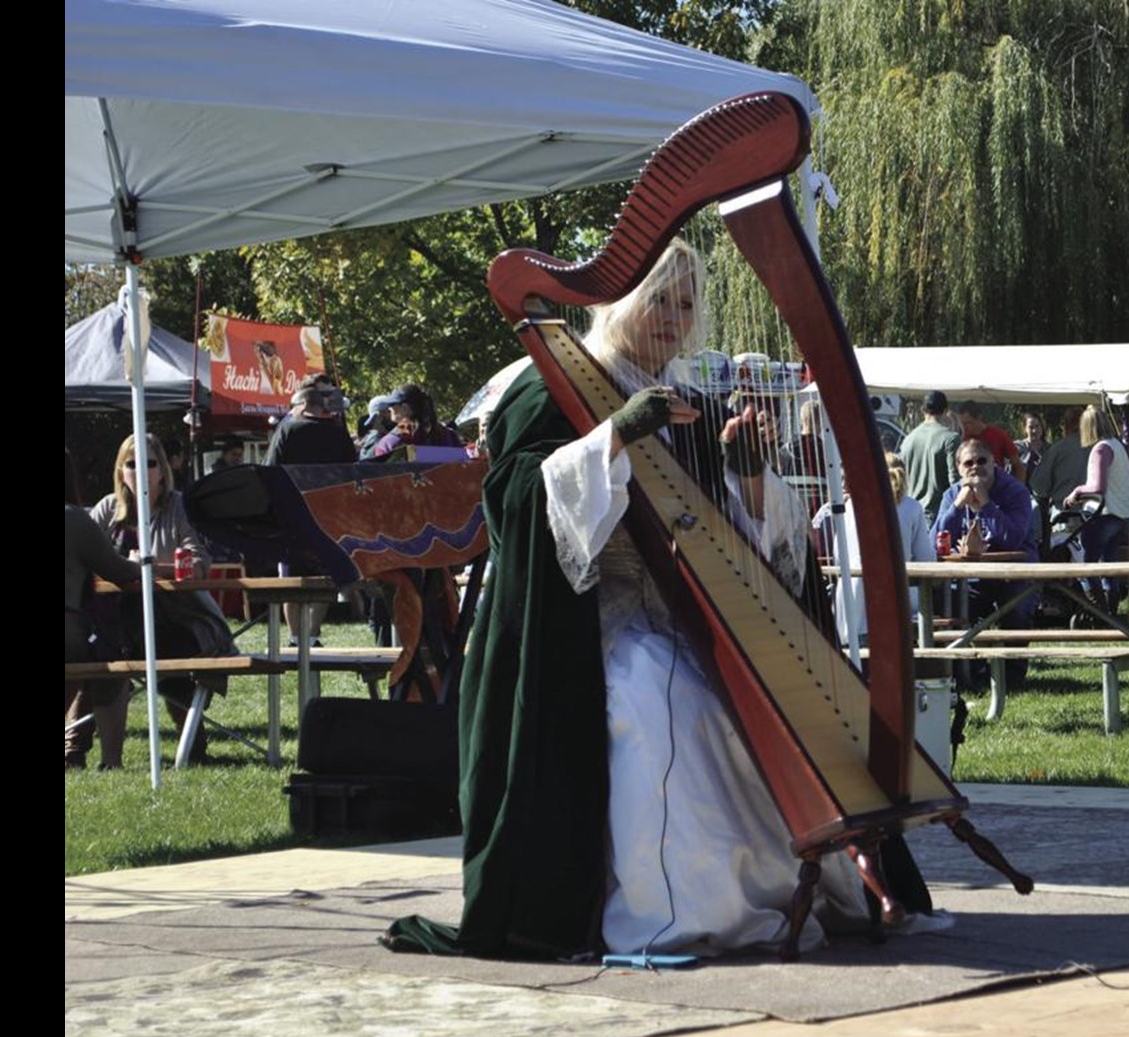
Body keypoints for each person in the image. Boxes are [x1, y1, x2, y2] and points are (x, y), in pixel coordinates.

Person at [385, 240, 900, 961]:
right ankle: (674, 911)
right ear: (618, 301)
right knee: (665, 696)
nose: (672, 318)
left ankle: (788, 888)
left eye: (686, 304)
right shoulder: (549, 385)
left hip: (691, 608)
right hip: (589, 615)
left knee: (755, 700)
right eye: (659, 299)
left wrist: (750, 478)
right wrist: (617, 434)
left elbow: (750, 540)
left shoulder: (694, 402)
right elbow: (519, 500)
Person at [89, 434, 236, 764]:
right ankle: (83, 752)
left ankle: (193, 748)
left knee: (167, 648)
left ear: (163, 470)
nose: (140, 470)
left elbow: (199, 564)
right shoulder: (106, 510)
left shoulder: (180, 507)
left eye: (150, 463)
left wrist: (153, 566)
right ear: (120, 469)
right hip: (116, 618)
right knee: (97, 654)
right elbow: (83, 563)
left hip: (180, 615)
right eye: (131, 464)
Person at [932, 437, 1039, 686]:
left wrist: (986, 505)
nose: (975, 467)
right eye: (968, 462)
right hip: (973, 577)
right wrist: (957, 507)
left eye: (982, 460)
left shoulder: (1015, 492)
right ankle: (965, 672)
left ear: (994, 462)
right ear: (958, 468)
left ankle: (1011, 678)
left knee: (1018, 609)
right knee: (943, 607)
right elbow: (933, 544)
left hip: (1014, 575)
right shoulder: (952, 495)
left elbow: (1012, 539)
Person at [268, 374, 357, 647]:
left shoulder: (287, 430)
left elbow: (269, 469)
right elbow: (352, 471)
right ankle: (313, 633)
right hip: (328, 514)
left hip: (292, 514)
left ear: (304, 405)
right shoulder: (338, 433)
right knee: (324, 576)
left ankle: (296, 636)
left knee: (291, 578)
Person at [65, 451, 141, 770]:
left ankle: (73, 750)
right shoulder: (74, 519)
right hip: (69, 634)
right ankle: (112, 761)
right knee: (114, 667)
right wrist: (139, 563)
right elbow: (117, 570)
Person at [815, 451, 934, 647]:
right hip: (895, 606)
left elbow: (838, 556)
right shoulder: (912, 507)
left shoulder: (851, 506)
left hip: (850, 607)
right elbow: (927, 560)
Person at [1059, 405, 1129, 620]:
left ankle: (1099, 610)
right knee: (1109, 567)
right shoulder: (1117, 446)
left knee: (1087, 564)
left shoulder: (1100, 449)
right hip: (1121, 515)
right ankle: (1112, 613)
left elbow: (1098, 487)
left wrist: (1076, 492)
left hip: (1104, 514)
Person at [898, 390, 961, 522]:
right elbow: (955, 482)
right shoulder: (951, 439)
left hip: (909, 515)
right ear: (946, 410)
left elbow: (900, 480)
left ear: (923, 410)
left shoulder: (908, 440)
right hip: (938, 515)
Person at [268, 374, 357, 467]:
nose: (331, 398)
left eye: (332, 393)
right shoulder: (288, 430)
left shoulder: (339, 431)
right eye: (324, 394)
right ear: (307, 397)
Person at [367, 383, 464, 460]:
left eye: (392, 404)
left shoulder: (390, 444)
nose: (389, 408)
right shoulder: (448, 435)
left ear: (405, 408)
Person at [953, 401, 1021, 476]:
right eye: (961, 423)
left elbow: (1017, 465)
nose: (964, 427)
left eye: (968, 423)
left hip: (996, 482)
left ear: (979, 417)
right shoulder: (960, 439)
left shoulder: (997, 435)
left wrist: (1018, 486)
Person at [1016, 412, 1048, 484]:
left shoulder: (1049, 449)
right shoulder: (1017, 447)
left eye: (1037, 426)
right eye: (1031, 427)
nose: (1035, 431)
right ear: (1025, 429)